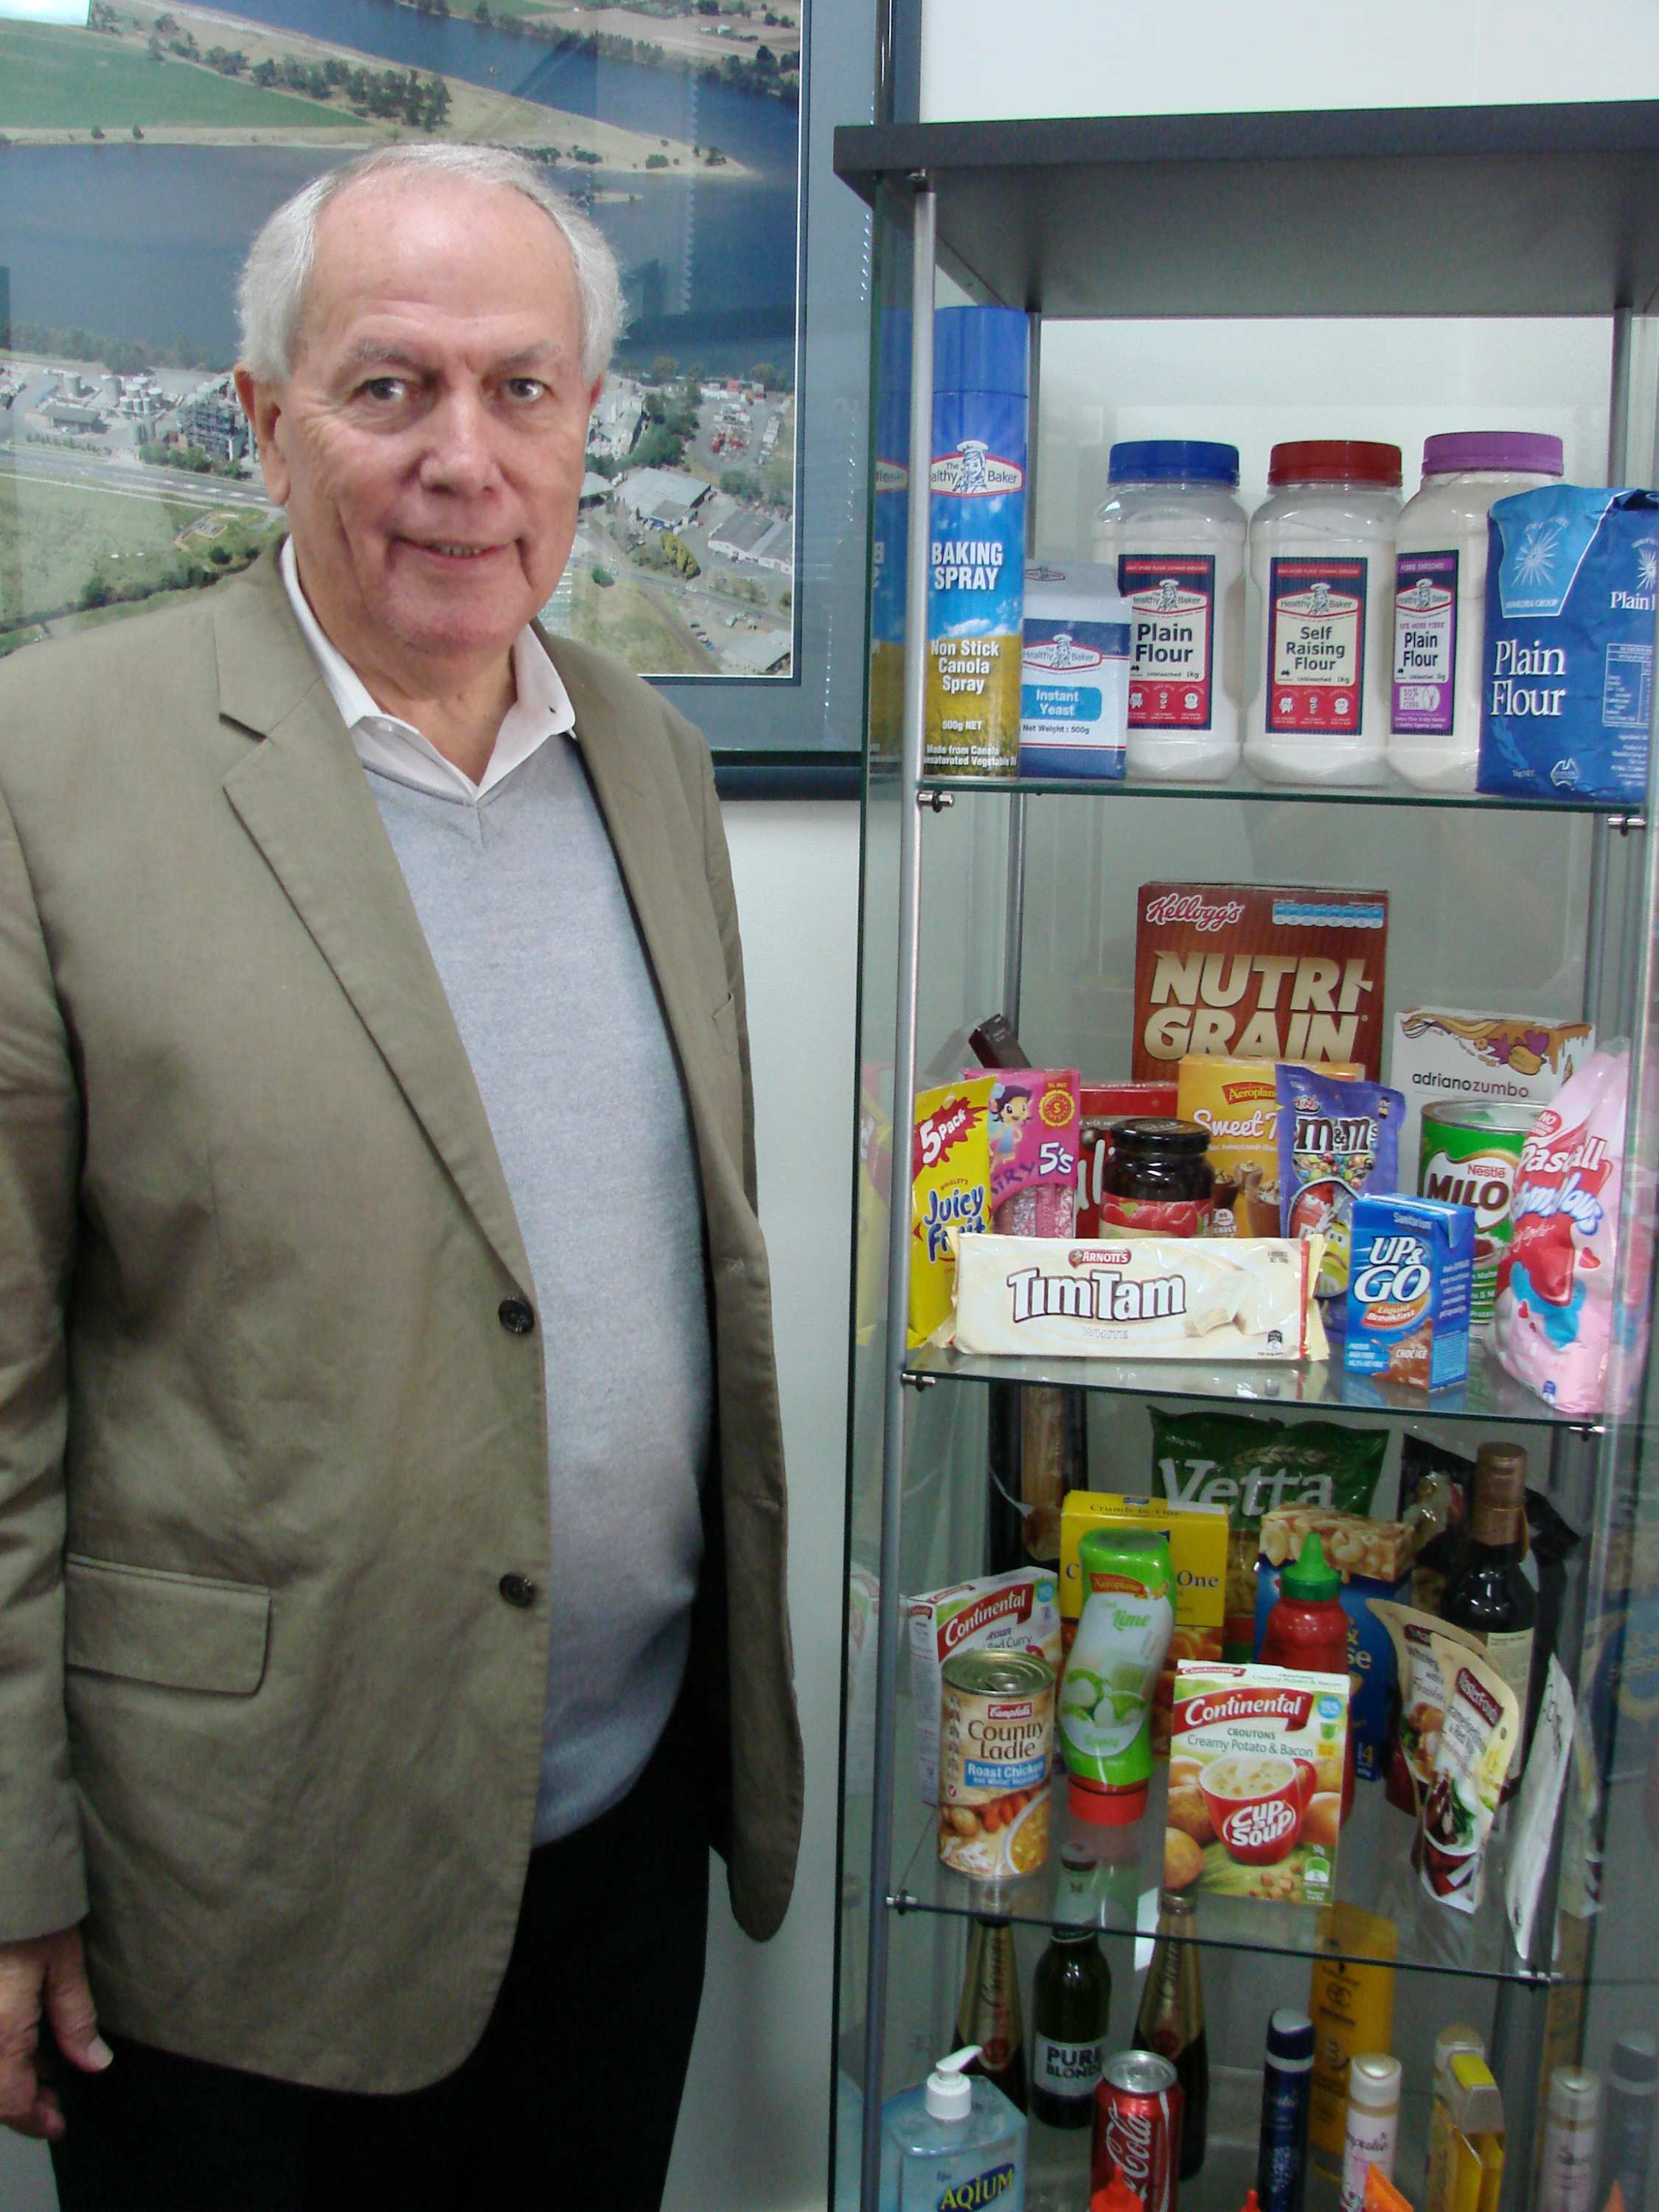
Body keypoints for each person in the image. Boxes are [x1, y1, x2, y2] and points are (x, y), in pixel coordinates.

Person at [0, 143, 800, 2211]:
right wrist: (10, 1858)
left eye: (522, 391)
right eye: (389, 388)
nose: (465, 457)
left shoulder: (651, 754)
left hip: (616, 1840)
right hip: (242, 1878)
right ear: (266, 424)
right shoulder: (49, 764)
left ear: (589, 431)